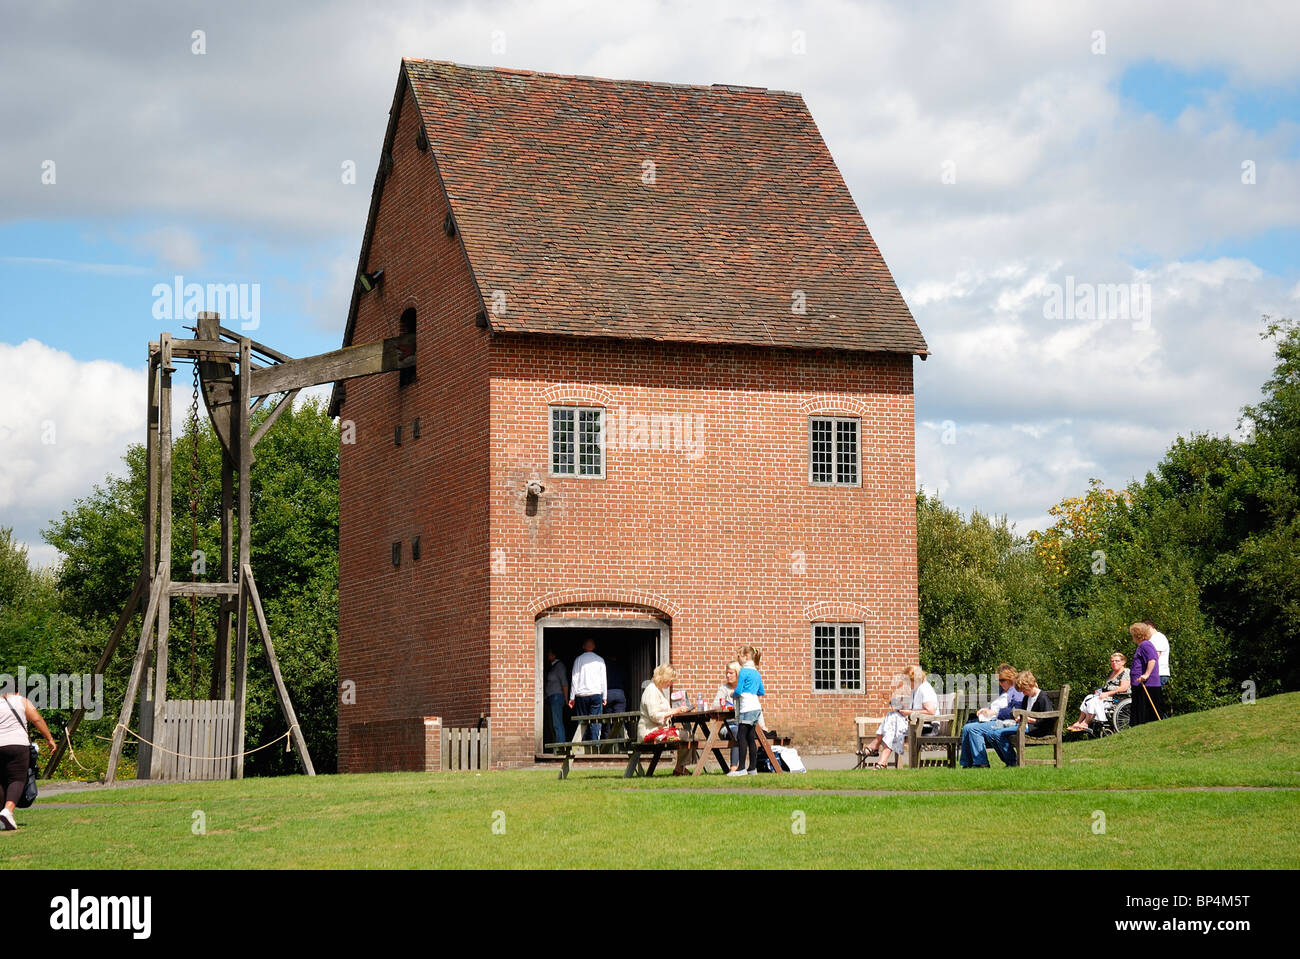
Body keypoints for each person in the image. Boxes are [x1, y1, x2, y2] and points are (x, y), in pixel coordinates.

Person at [860, 664, 937, 769]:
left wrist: (908, 712)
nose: (907, 684)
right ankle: (881, 760)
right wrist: (902, 708)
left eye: (908, 681)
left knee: (894, 722)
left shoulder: (925, 689)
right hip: (916, 723)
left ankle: (875, 746)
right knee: (892, 715)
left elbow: (931, 711)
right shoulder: (916, 689)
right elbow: (915, 709)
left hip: (927, 726)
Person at [1, 690, 57, 831]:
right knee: (17, 779)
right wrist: (49, 739)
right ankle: (7, 811)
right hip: (18, 744)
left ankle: (1, 814)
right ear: (16, 690)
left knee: (0, 780)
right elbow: (36, 719)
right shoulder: (21, 700)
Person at [981, 670, 1055, 767]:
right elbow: (1023, 713)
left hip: (1037, 729)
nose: (1023, 693)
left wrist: (1029, 720)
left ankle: (1013, 762)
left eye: (1024, 690)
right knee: (990, 734)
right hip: (1024, 726)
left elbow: (1048, 718)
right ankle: (1009, 761)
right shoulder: (1026, 698)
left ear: (1030, 685)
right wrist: (1019, 718)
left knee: (998, 734)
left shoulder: (1042, 697)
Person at [959, 664, 1024, 768]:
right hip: (994, 720)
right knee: (966, 728)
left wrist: (994, 713)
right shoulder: (1003, 690)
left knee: (973, 729)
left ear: (1010, 679)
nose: (1000, 683)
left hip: (1006, 722)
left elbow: (1016, 711)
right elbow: (996, 705)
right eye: (998, 680)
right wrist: (986, 710)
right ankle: (967, 764)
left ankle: (981, 763)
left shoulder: (1016, 691)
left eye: (1002, 680)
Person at [638, 663, 690, 775]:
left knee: (688, 734)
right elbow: (655, 716)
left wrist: (676, 710)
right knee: (687, 735)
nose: (671, 684)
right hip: (650, 733)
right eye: (671, 680)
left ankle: (680, 768)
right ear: (664, 678)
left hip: (658, 731)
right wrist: (674, 711)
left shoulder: (658, 690)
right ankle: (680, 768)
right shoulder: (651, 691)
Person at [1067, 652, 1129, 732]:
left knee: (1095, 701)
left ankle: (1086, 723)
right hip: (1107, 696)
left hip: (1117, 699)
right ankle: (1079, 722)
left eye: (1117, 661)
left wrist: (1107, 693)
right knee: (1088, 697)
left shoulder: (1126, 672)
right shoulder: (1112, 672)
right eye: (1112, 661)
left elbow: (1123, 688)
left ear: (1123, 662)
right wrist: (1100, 691)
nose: (1114, 663)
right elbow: (1107, 686)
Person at [728, 646, 766, 777]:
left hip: (746, 707)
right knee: (751, 737)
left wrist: (733, 694)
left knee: (741, 737)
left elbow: (738, 690)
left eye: (738, 656)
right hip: (756, 707)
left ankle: (741, 768)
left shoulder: (744, 671)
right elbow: (761, 691)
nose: (737, 659)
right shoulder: (756, 672)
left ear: (746, 657)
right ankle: (752, 768)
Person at [568, 638, 607, 742]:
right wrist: (605, 696)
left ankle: (583, 746)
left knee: (582, 723)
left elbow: (574, 679)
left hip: (581, 695)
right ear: (594, 647)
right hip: (596, 694)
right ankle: (595, 746)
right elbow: (604, 679)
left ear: (583, 646)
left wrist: (572, 697)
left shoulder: (578, 659)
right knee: (595, 722)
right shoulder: (600, 660)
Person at [1129, 622, 1165, 725]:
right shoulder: (1142, 645)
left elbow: (1152, 659)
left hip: (1147, 684)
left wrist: (1146, 674)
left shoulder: (1146, 644)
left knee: (1147, 712)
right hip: (1140, 684)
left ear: (1137, 635)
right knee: (1139, 710)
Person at [543, 649, 569, 751]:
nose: (547, 655)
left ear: (554, 654)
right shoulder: (552, 666)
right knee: (553, 724)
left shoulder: (559, 666)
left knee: (557, 723)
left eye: (549, 653)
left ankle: (561, 747)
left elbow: (564, 683)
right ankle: (556, 746)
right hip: (550, 697)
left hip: (557, 697)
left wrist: (566, 699)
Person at [1144, 620, 1171, 695]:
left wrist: (1146, 673)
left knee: (1152, 700)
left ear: (1149, 626)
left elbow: (1154, 657)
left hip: (1158, 673)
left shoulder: (1158, 638)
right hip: (1154, 674)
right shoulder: (1152, 639)